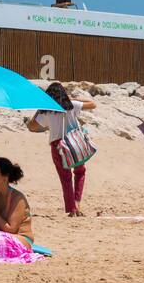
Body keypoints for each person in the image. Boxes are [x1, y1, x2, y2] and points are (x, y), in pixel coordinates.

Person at [27, 82, 96, 217]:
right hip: (75, 142)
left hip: (58, 144)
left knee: (65, 178)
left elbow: (32, 127)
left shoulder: (46, 111)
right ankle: (77, 203)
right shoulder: (71, 106)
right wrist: (70, 98)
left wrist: (39, 108)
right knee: (80, 172)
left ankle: (71, 209)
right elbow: (92, 104)